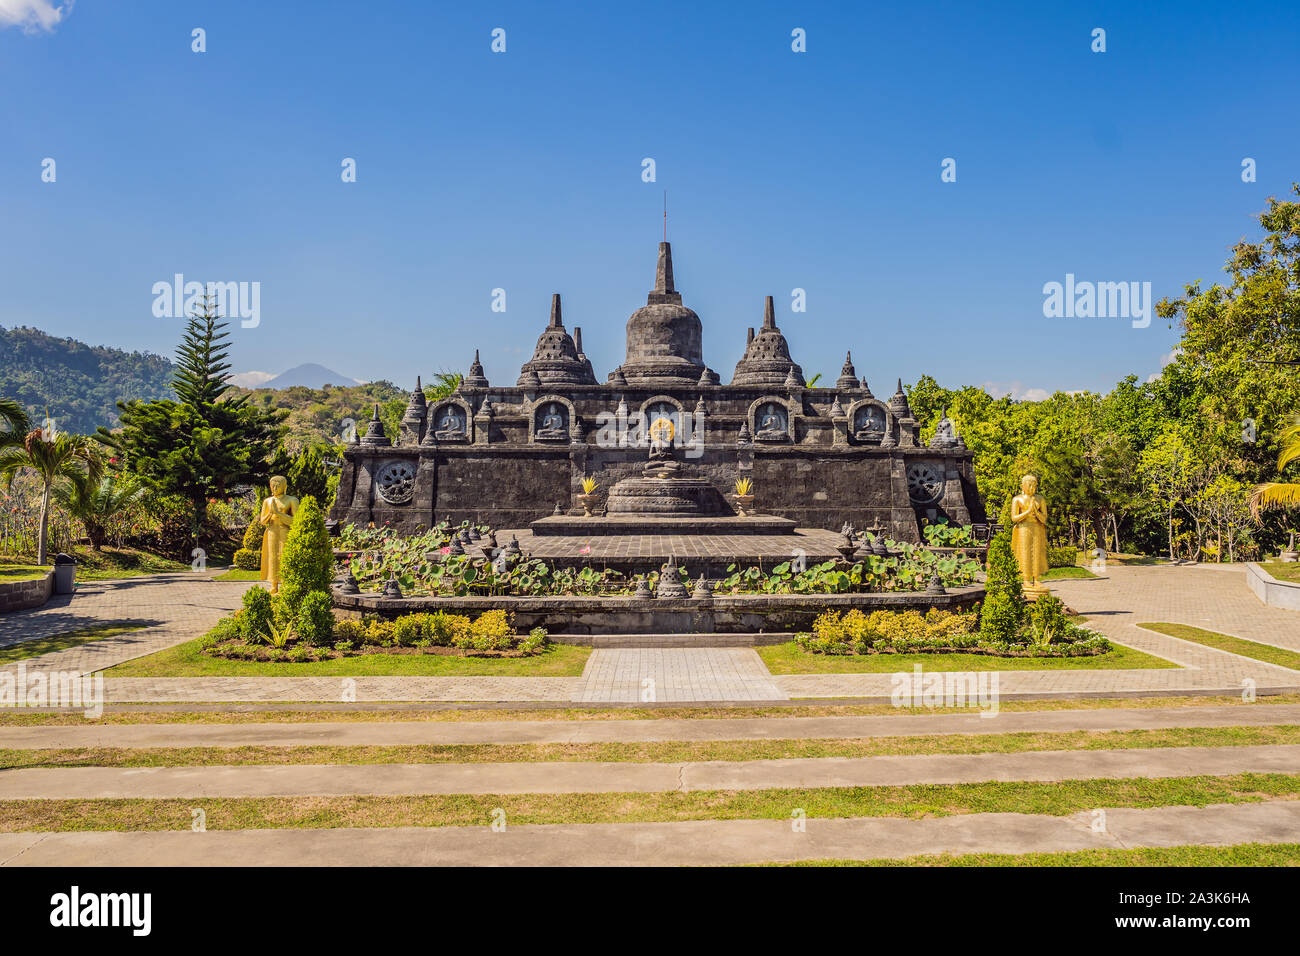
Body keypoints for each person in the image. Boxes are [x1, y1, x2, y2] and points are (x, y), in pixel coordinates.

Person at [259, 475, 299, 593]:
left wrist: (279, 513)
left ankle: (286, 582)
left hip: (285, 531)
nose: (275, 488)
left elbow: (295, 521)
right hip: (272, 532)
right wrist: (270, 514)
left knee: (284, 556)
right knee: (273, 558)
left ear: (284, 486)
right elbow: (262, 521)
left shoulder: (292, 500)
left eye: (278, 485)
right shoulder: (267, 501)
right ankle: (274, 584)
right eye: (273, 485)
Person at [1010, 474, 1049, 595]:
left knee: (1037, 553)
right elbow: (1014, 518)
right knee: (1025, 553)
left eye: (1034, 485)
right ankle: (1026, 579)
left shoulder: (1040, 499)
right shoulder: (1017, 499)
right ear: (1023, 486)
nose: (1032, 487)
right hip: (1023, 528)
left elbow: (1044, 518)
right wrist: (1027, 512)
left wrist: (1036, 512)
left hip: (1037, 527)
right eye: (1029, 485)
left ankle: (1036, 579)